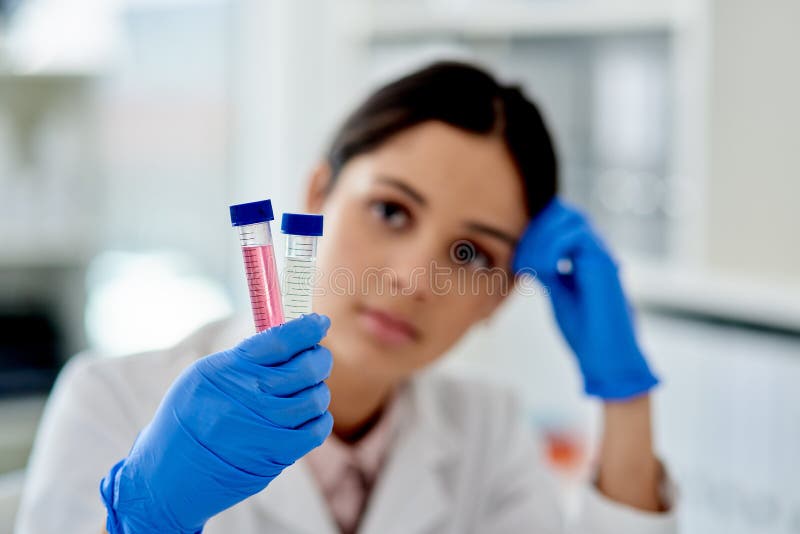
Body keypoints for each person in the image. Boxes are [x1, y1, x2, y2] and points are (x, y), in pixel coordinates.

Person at [15, 61, 676, 534]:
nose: (413, 279)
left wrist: (624, 392)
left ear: (498, 297)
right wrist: (145, 521)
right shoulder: (112, 400)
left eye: (471, 253)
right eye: (391, 211)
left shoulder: (486, 430)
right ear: (316, 199)